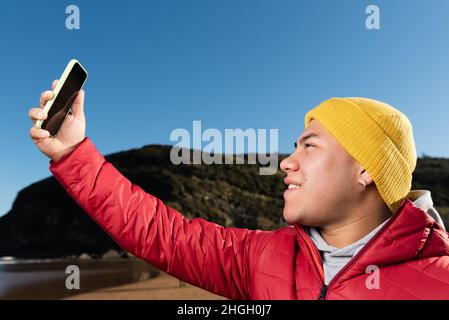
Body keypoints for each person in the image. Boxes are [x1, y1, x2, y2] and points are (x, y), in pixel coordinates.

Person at [28, 80, 449, 299]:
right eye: (293, 146)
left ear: (365, 170)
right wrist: (72, 154)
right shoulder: (261, 258)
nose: (287, 162)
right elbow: (158, 232)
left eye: (309, 145)